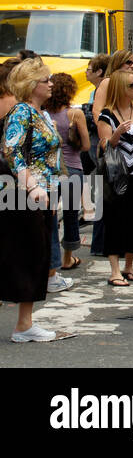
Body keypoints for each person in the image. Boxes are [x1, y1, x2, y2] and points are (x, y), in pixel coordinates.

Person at [1, 60, 75, 342]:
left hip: (42, 195)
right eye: (45, 79)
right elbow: (12, 150)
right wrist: (32, 186)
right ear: (32, 84)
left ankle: (25, 323)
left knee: (36, 256)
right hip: (24, 197)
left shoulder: (38, 113)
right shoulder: (21, 112)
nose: (51, 83)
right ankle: (23, 326)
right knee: (27, 257)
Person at [96, 69, 133, 288]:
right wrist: (116, 134)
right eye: (132, 85)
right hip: (117, 174)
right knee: (115, 220)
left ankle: (129, 266)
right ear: (121, 88)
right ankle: (114, 270)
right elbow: (104, 146)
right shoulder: (106, 115)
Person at [45, 74, 89, 276]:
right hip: (72, 169)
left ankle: (51, 260)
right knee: (72, 215)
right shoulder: (75, 114)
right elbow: (87, 145)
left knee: (51, 218)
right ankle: (67, 258)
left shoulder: (43, 114)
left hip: (50, 171)